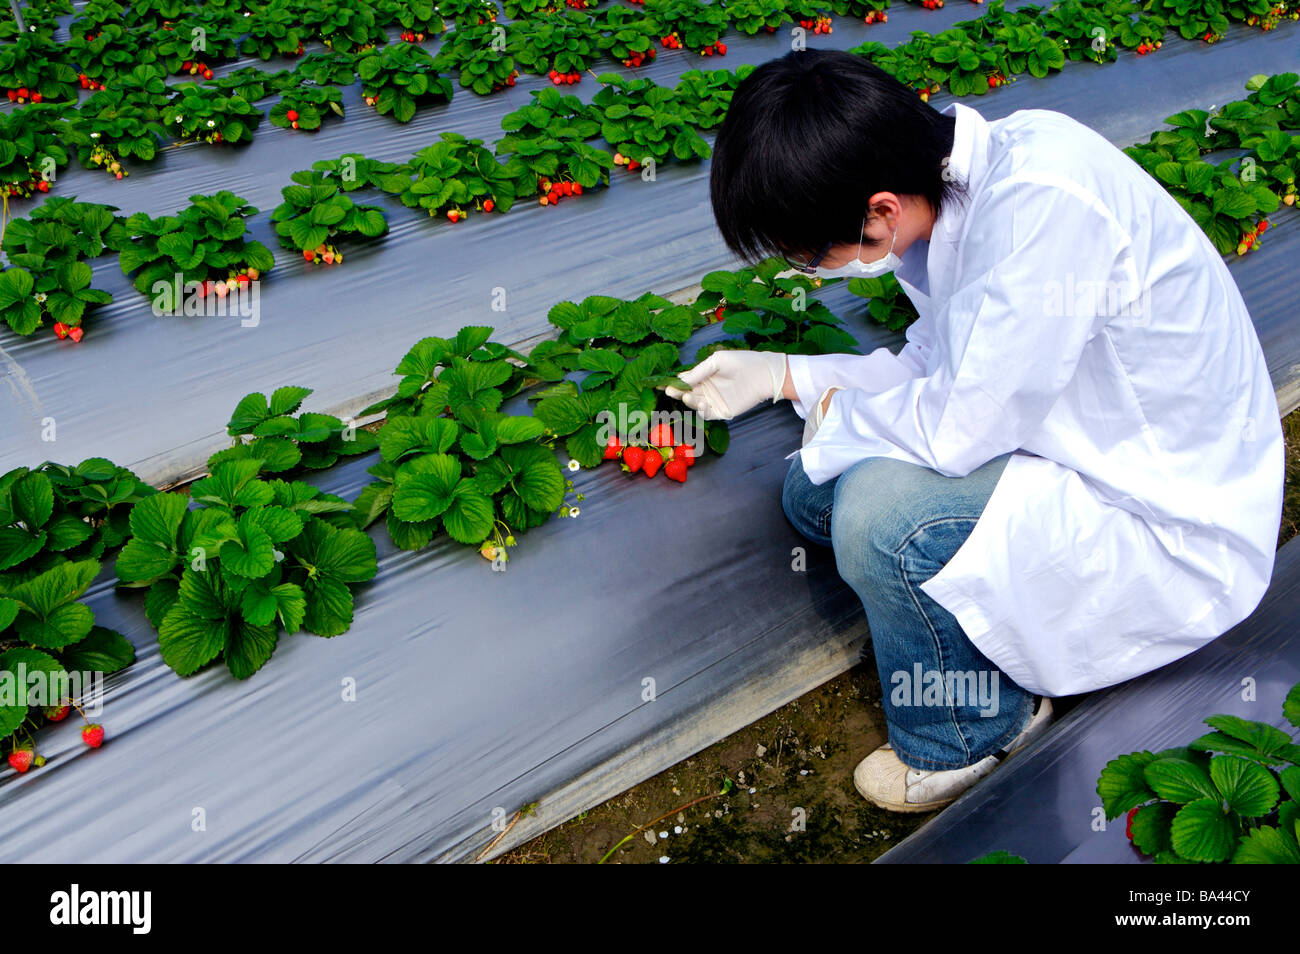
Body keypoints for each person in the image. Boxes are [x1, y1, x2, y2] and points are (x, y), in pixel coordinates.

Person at [665, 49, 1285, 813]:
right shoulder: (953, 188)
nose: (809, 271)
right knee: (813, 489)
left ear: (880, 210)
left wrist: (842, 419)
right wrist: (786, 375)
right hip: (1061, 439)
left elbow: (960, 426)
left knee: (879, 522)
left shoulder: (1041, 210)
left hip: (1161, 509)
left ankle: (972, 733)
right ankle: (954, 610)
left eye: (809, 254)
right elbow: (941, 364)